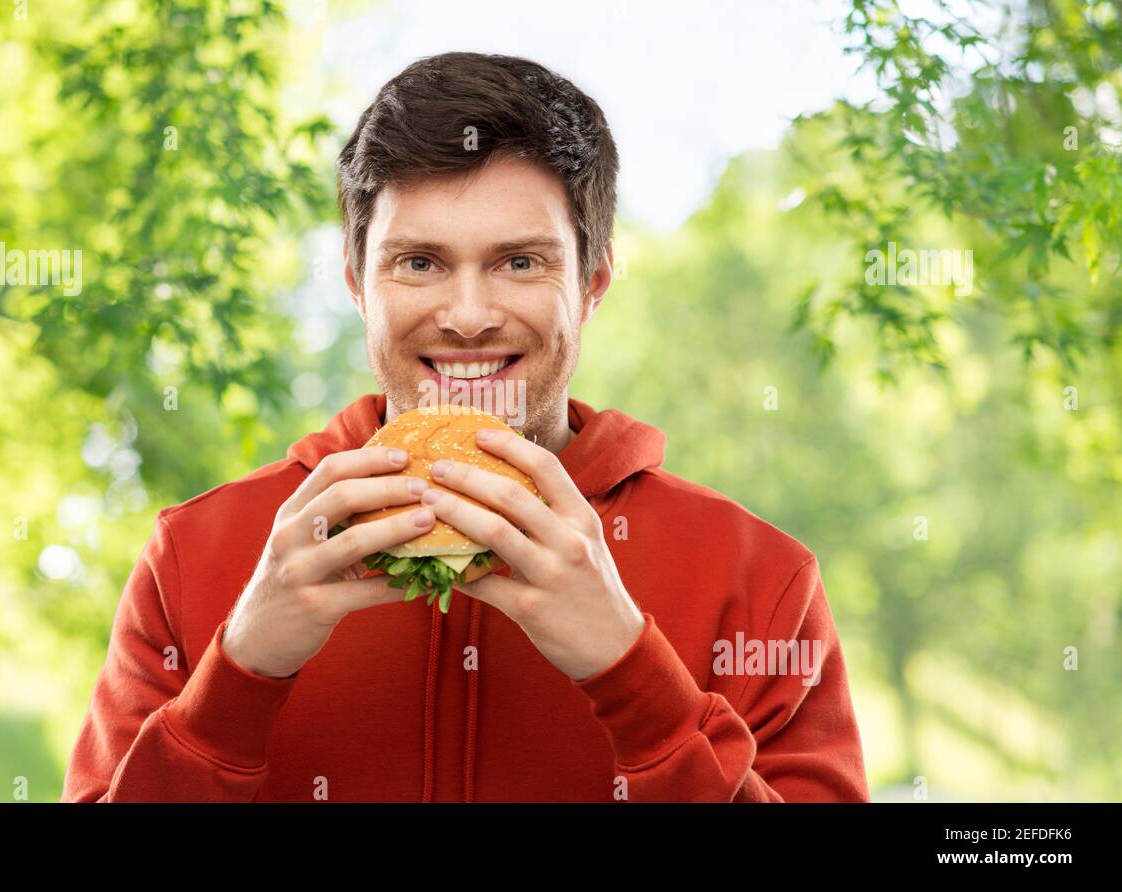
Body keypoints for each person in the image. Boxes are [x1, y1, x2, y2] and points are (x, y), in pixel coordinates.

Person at [61, 51, 870, 802]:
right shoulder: (193, 555)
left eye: (520, 262)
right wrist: (236, 676)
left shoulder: (761, 578)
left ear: (591, 284)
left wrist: (634, 676)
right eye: (420, 263)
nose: (469, 317)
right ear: (357, 283)